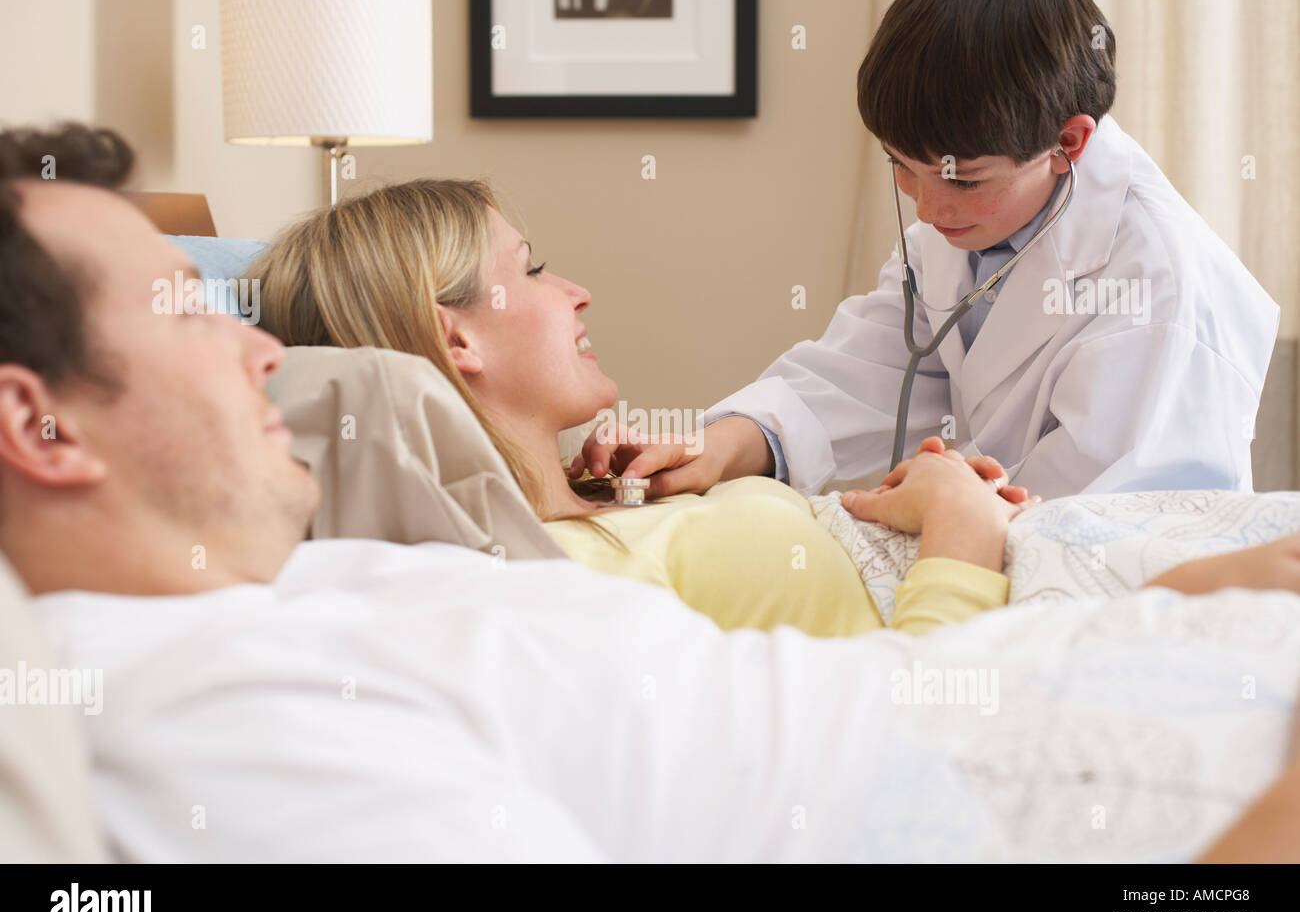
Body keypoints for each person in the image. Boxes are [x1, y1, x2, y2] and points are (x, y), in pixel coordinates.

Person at [6, 123, 1300, 863]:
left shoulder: (335, 588)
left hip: (1072, 670)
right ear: (38, 422)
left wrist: (1143, 613)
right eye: (190, 315)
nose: (266, 352)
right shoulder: (190, 707)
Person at [248, 179, 1041, 637]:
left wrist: (896, 505)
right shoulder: (565, 583)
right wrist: (959, 529)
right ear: (456, 340)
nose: (576, 292)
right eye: (534, 271)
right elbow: (906, 726)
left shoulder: (611, 506)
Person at [575, 0, 1279, 508]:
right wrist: (717, 445)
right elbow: (856, 382)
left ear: (1069, 144)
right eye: (898, 165)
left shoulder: (1158, 287)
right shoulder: (956, 238)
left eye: (963, 182)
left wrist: (942, 505)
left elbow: (1105, 528)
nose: (927, 207)